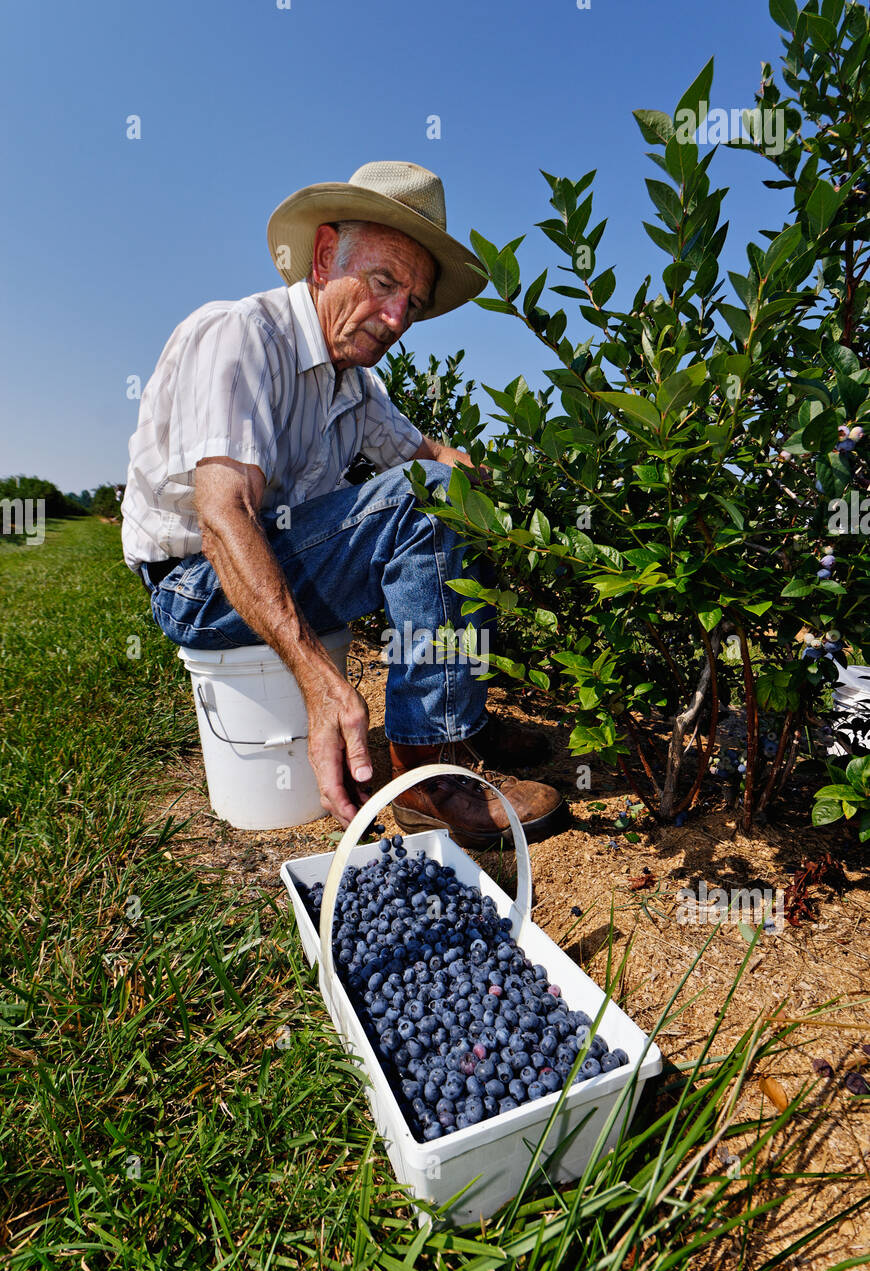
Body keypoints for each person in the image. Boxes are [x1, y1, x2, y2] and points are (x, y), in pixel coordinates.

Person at [121, 161, 565, 848]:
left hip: (265, 557)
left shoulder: (355, 384)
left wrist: (513, 499)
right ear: (325, 257)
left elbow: (431, 460)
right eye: (384, 284)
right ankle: (428, 773)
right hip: (194, 585)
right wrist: (319, 678)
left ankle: (458, 720)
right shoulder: (241, 336)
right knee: (429, 506)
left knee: (451, 498)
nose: (395, 320)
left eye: (412, 305)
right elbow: (223, 516)